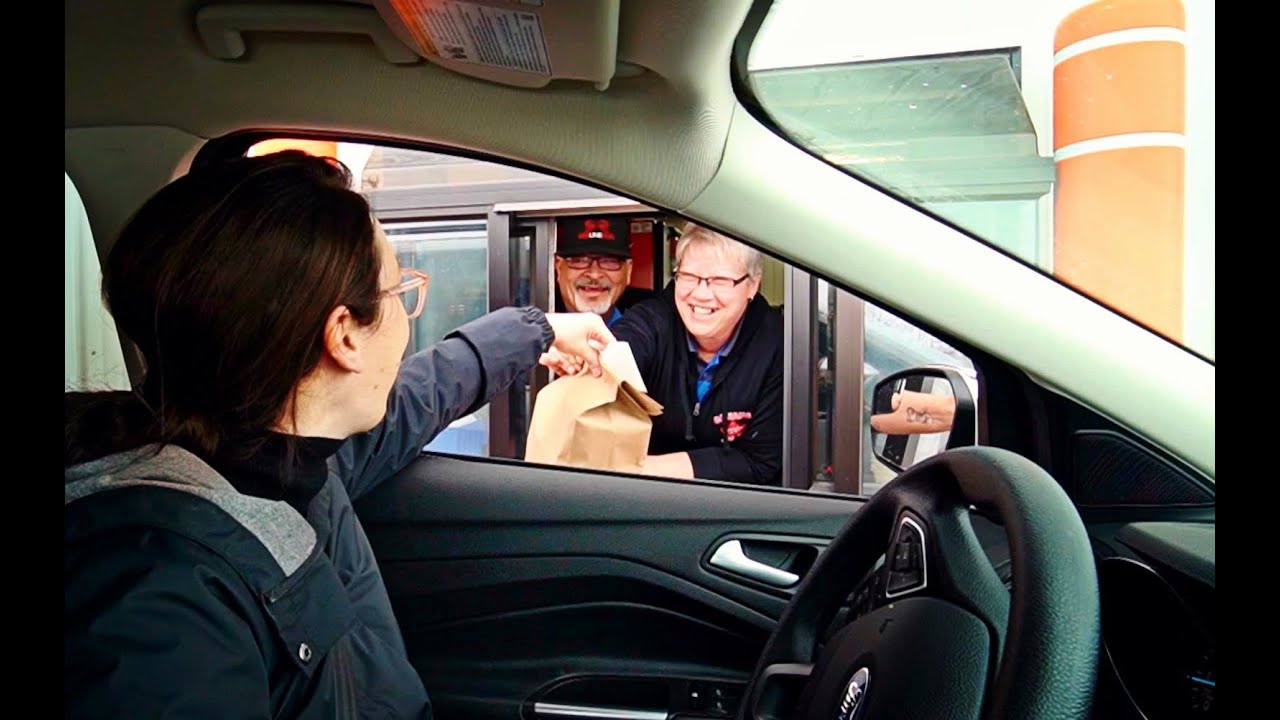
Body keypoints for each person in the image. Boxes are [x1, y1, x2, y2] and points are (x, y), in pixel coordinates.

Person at [64, 150, 614, 719]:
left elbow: (416, 399)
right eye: (401, 293)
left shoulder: (279, 457)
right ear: (344, 336)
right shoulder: (159, 605)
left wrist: (535, 330)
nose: (406, 319)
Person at [548, 224, 784, 485]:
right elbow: (626, 341)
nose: (701, 294)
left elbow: (760, 462)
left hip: (739, 510)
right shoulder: (654, 318)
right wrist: (587, 356)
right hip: (650, 502)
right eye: (689, 276)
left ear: (753, 285)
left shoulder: (778, 343)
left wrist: (639, 468)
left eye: (720, 280)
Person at [553, 215, 655, 327]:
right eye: (580, 260)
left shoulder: (649, 335)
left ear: (628, 271)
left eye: (609, 261)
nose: (594, 275)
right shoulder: (535, 334)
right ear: (559, 268)